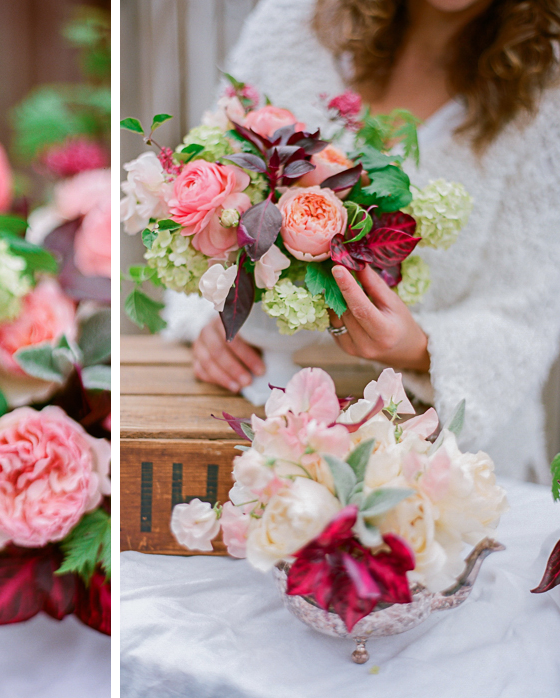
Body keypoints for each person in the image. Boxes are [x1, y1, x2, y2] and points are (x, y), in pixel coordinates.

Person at [185, 0, 560, 481]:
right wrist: (215, 318)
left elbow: (529, 315)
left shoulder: (547, 93)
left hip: (447, 474)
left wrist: (422, 348)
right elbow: (213, 195)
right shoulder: (292, 23)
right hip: (253, 442)